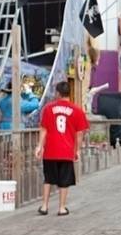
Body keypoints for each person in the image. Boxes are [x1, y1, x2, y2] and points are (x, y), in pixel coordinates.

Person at [35, 80, 90, 216]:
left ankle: (44, 206)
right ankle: (62, 207)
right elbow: (80, 133)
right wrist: (77, 150)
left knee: (48, 178)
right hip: (66, 151)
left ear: (58, 93)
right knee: (64, 181)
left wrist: (40, 146)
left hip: (50, 151)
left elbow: (44, 129)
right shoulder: (76, 110)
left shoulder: (48, 108)